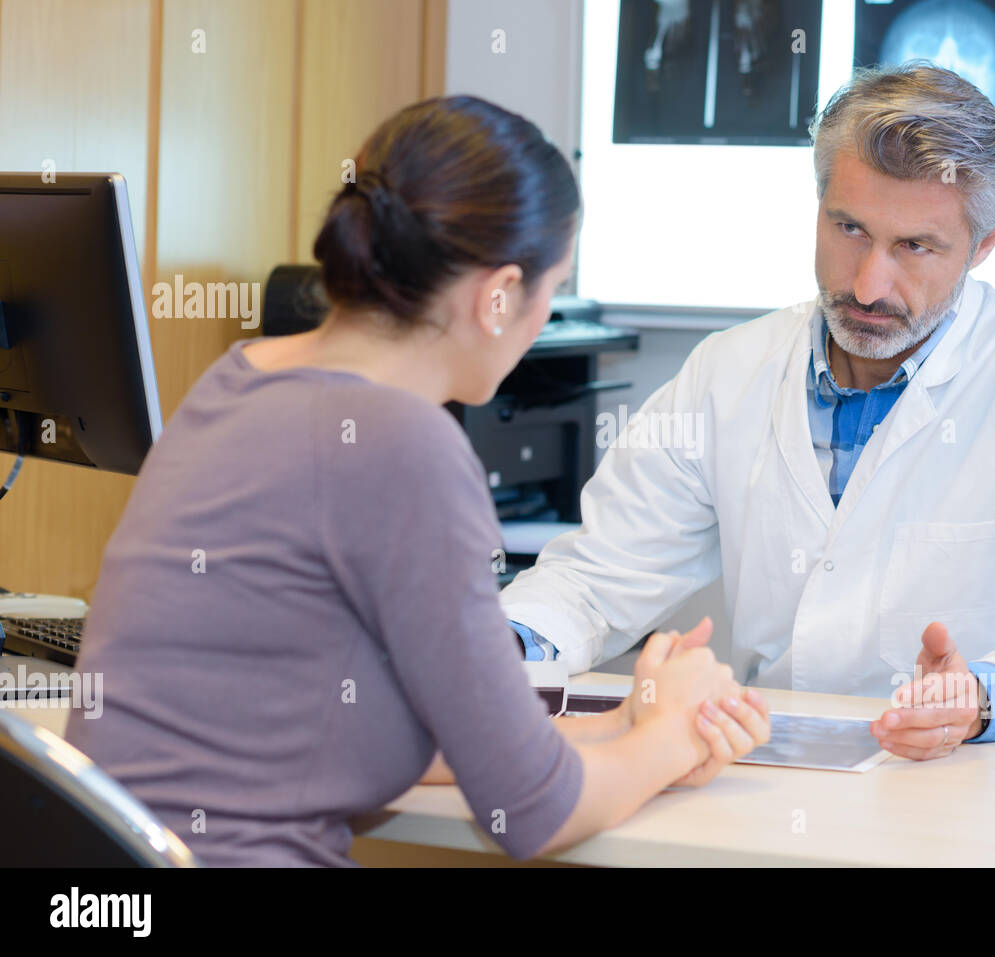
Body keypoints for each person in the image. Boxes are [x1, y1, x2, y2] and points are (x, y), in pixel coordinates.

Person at [65, 95, 769, 867]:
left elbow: (421, 732)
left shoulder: (237, 378)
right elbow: (532, 810)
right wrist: (673, 738)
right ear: (497, 294)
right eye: (552, 289)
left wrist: (637, 723)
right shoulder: (404, 445)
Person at [501, 64, 995, 761]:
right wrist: (503, 645)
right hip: (779, 774)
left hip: (988, 776)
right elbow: (598, 576)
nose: (869, 284)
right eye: (848, 227)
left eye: (915, 246)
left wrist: (982, 696)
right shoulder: (728, 371)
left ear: (983, 245)